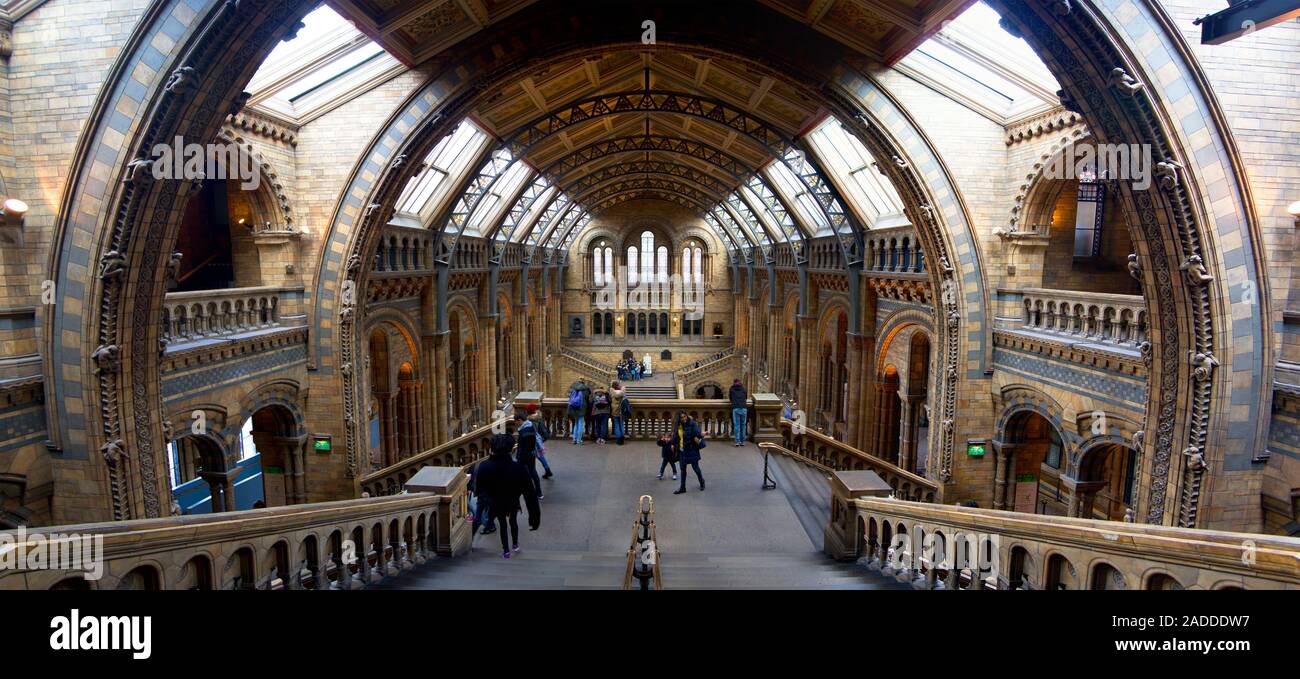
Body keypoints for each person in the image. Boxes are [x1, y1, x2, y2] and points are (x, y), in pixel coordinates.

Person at [476, 426, 540, 559]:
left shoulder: (484, 466)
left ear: (492, 449)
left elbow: (480, 490)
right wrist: (534, 519)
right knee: (513, 522)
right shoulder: (520, 469)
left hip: (496, 503)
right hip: (512, 501)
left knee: (503, 525)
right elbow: (530, 494)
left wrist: (489, 502)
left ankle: (506, 551)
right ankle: (515, 544)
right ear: (511, 450)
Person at [672, 411, 706, 494]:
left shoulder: (692, 423)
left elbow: (697, 432)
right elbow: (675, 435)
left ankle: (702, 482)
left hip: (691, 449)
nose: (684, 419)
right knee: (683, 470)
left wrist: (701, 435)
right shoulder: (678, 425)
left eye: (684, 416)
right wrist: (672, 444)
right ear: (678, 419)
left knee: (696, 468)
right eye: (681, 417)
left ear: (686, 416)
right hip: (682, 450)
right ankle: (682, 488)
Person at [515, 415, 544, 500]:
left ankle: (519, 494)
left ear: (520, 420)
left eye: (515, 421)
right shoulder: (530, 426)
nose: (515, 423)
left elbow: (523, 446)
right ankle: (539, 493)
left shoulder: (524, 431)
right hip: (531, 454)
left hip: (525, 455)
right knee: (533, 472)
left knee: (521, 474)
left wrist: (519, 458)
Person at [525, 403, 554, 479]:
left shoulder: (530, 420)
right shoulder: (538, 417)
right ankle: (547, 469)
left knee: (533, 455)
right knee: (540, 455)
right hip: (539, 439)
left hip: (534, 439)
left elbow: (532, 431)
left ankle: (532, 472)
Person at [729, 378, 749, 446]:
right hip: (743, 408)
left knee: (737, 425)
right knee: (743, 425)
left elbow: (730, 398)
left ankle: (737, 442)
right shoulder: (744, 388)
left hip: (736, 408)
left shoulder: (731, 388)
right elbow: (746, 397)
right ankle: (742, 441)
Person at [567, 380, 588, 445]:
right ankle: (579, 440)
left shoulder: (574, 389)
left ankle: (574, 439)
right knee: (581, 424)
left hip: (574, 408)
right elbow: (587, 398)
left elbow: (570, 398)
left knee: (576, 424)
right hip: (581, 408)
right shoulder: (585, 389)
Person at [609, 381, 627, 445]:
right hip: (622, 411)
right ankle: (622, 439)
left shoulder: (612, 392)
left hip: (615, 410)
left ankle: (618, 439)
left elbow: (610, 399)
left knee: (616, 425)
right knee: (621, 425)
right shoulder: (622, 392)